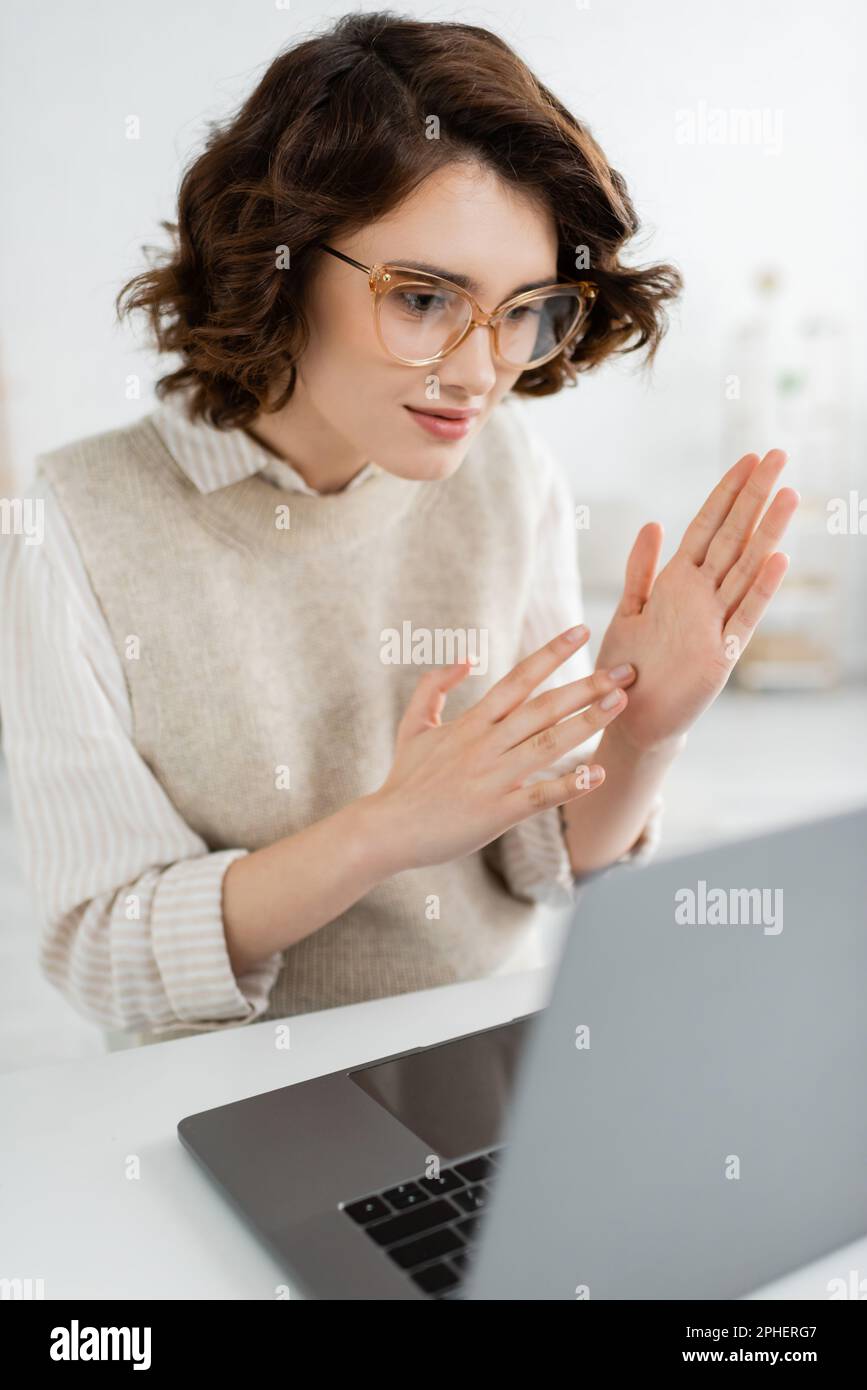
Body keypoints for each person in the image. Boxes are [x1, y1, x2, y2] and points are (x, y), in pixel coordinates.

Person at [0, 12, 797, 1049]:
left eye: (523, 309)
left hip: (478, 1056)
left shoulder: (506, 472)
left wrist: (649, 730)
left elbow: (547, 860)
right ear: (275, 265)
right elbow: (108, 953)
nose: (481, 371)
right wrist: (385, 830)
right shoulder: (71, 526)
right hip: (214, 1097)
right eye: (423, 298)